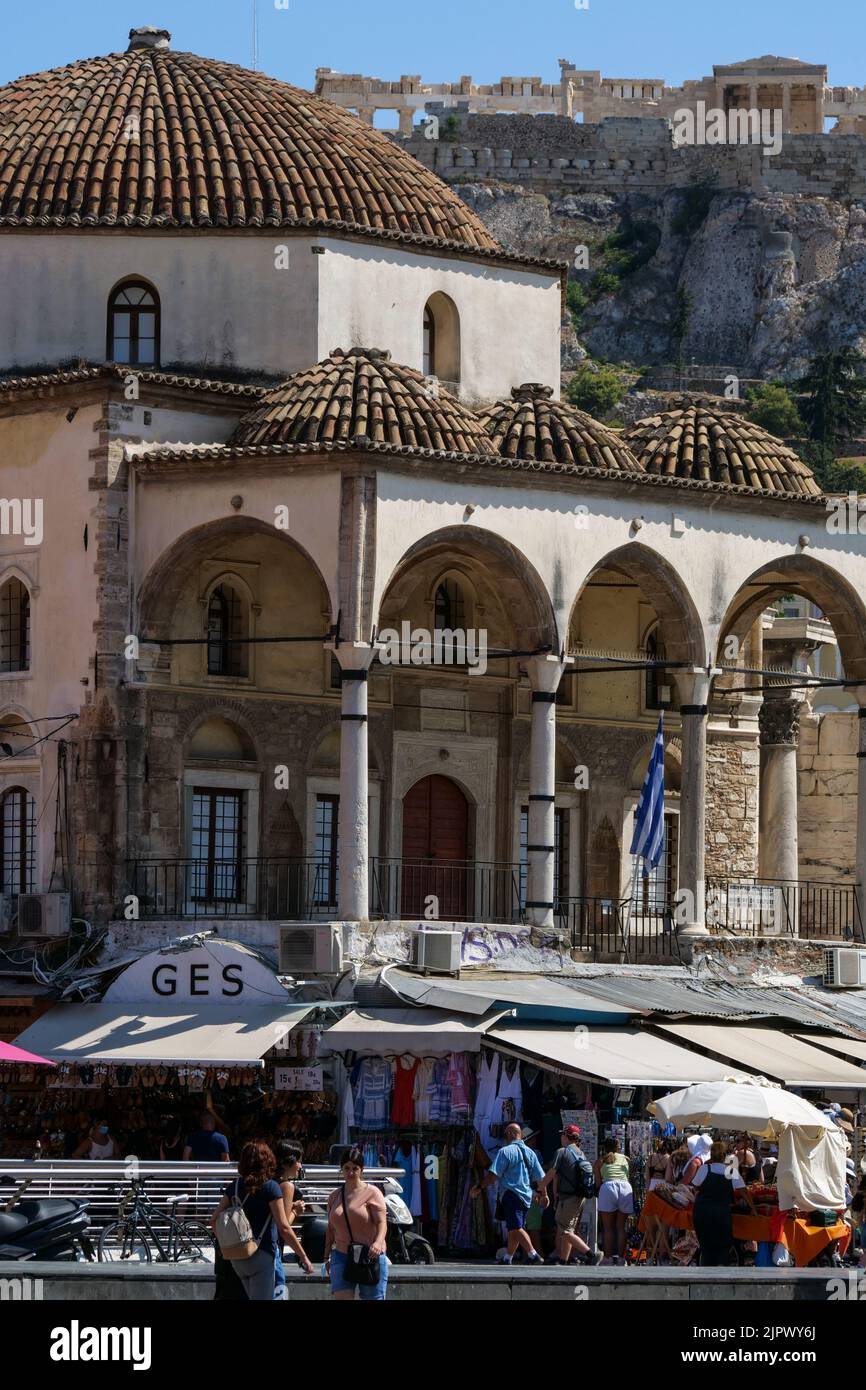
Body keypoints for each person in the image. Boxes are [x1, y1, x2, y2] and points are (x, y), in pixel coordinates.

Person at [211, 1141, 308, 1301]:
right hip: (262, 1254)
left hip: (237, 1257)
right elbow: (283, 1227)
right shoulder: (271, 1188)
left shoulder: (234, 1187)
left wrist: (225, 1243)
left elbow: (213, 1220)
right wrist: (302, 1255)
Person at [470, 1122, 547, 1266]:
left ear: (511, 1134)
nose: (504, 1138)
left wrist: (479, 1186)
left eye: (505, 1134)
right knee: (513, 1228)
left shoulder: (505, 1151)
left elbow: (493, 1175)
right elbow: (540, 1177)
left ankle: (533, 1254)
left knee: (517, 1227)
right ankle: (507, 1258)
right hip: (526, 1196)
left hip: (511, 1194)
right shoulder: (531, 1152)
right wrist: (544, 1194)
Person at [325, 1146, 389, 1301]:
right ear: (341, 1169)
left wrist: (379, 1242)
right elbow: (331, 1229)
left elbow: (382, 1222)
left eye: (355, 1168)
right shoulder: (334, 1196)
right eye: (346, 1168)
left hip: (369, 1255)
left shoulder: (373, 1192)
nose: (350, 1173)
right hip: (341, 1255)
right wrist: (326, 1256)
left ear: (362, 1170)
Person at [539, 1124, 601, 1266]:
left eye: (562, 1135)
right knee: (568, 1228)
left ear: (567, 1137)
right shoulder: (581, 1153)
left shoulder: (562, 1152)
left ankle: (591, 1254)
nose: (561, 1137)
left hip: (568, 1198)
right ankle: (563, 1259)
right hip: (580, 1197)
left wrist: (540, 1188)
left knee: (564, 1229)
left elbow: (551, 1174)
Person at [692, 1140, 756, 1267]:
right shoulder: (730, 1171)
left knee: (706, 1247)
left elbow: (695, 1186)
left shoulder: (705, 1169)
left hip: (702, 1213)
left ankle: (704, 1276)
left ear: (711, 1155)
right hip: (720, 1214)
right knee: (722, 1246)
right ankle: (720, 1275)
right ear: (724, 1156)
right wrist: (753, 1209)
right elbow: (744, 1192)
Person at [273, 1140, 313, 1295]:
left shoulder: (268, 1182)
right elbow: (283, 1226)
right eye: (298, 1161)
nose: (300, 1166)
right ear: (287, 1163)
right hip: (273, 1249)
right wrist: (296, 1211)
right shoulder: (286, 1186)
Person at [593, 1136, 633, 1264]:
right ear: (618, 1147)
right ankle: (621, 1258)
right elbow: (628, 1175)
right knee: (621, 1227)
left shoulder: (600, 1161)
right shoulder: (626, 1159)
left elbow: (598, 1183)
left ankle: (608, 1258)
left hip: (608, 1187)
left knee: (608, 1227)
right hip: (625, 1186)